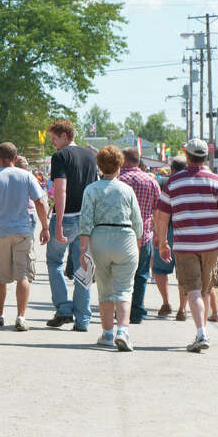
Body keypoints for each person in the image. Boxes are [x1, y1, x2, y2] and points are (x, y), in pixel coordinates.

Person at [154, 139, 218, 352]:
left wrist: (163, 242)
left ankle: (201, 333)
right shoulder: (217, 181)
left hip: (185, 244)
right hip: (212, 244)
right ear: (205, 157)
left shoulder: (173, 182)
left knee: (193, 290)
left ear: (187, 155)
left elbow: (162, 215)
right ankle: (200, 331)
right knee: (204, 289)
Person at [0, 142, 50, 331]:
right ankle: (21, 317)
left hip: (0, 233)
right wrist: (45, 227)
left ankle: (0, 314)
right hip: (23, 232)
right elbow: (40, 202)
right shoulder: (27, 176)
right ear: (15, 159)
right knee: (23, 275)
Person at [78, 146, 143, 351]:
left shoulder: (91, 190)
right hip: (125, 238)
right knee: (125, 289)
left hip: (100, 239)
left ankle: (107, 333)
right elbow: (138, 223)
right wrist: (138, 247)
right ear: (119, 165)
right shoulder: (127, 190)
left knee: (105, 289)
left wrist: (83, 249)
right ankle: (123, 331)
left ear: (99, 165)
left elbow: (85, 220)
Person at [45, 119, 98, 331]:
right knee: (83, 268)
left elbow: (60, 189)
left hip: (67, 217)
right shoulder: (90, 156)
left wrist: (58, 221)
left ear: (65, 136)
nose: (52, 143)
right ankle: (83, 318)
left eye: (54, 138)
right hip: (86, 219)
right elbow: (94, 188)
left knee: (54, 262)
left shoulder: (60, 156)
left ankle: (64, 307)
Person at [117, 147, 161, 324]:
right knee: (141, 275)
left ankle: (120, 311)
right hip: (144, 236)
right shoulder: (150, 181)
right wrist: (159, 234)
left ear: (124, 159)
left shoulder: (118, 180)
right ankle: (136, 312)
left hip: (120, 236)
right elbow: (158, 210)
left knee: (120, 275)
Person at [152, 156, 187, 320]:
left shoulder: (164, 182)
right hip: (185, 232)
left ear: (172, 169)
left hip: (166, 229)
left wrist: (158, 232)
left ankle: (166, 303)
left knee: (160, 270)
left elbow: (158, 210)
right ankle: (182, 308)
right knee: (184, 271)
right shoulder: (190, 182)